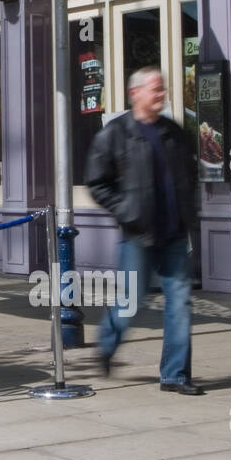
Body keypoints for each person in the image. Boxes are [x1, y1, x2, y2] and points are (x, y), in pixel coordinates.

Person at [85, 65, 202, 396]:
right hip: (138, 234)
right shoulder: (115, 133)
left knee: (179, 303)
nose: (162, 94)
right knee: (129, 303)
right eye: (156, 89)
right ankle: (107, 345)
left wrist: (189, 210)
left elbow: (189, 174)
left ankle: (175, 375)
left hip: (175, 233)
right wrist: (126, 211)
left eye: (163, 89)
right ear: (135, 93)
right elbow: (97, 182)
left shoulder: (174, 132)